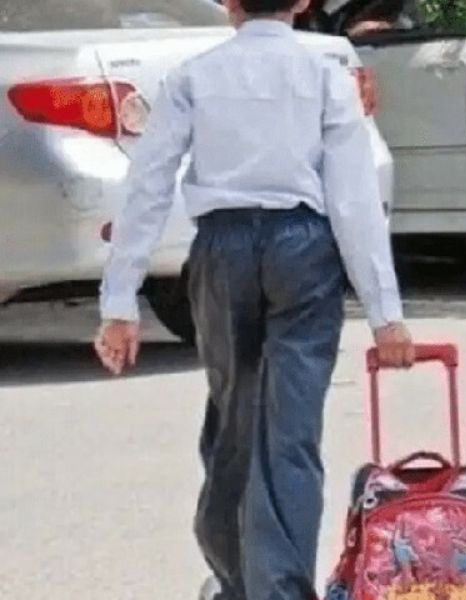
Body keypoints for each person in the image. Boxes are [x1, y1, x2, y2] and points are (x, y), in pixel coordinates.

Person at [92, 1, 417, 598]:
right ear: (303, 3)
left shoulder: (194, 76)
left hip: (223, 250)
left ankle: (236, 579)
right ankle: (281, 590)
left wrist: (120, 302)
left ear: (229, 2)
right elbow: (354, 198)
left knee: (234, 418)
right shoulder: (325, 76)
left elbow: (148, 185)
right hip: (304, 249)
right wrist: (385, 315)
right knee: (291, 430)